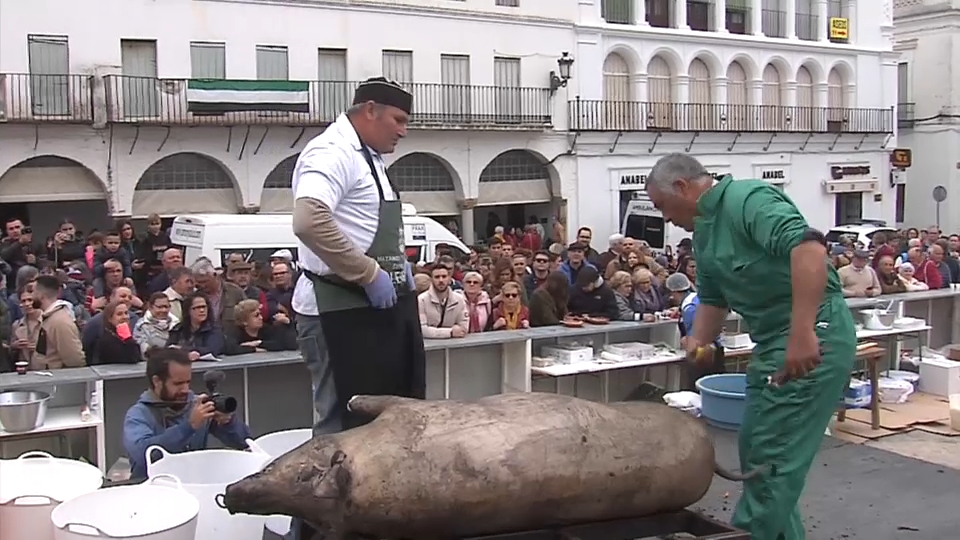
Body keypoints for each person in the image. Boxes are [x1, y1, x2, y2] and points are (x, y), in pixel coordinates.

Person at [644, 153, 855, 540]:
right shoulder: (704, 233)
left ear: (682, 187)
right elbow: (712, 297)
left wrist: (803, 333)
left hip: (812, 334)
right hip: (772, 344)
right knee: (758, 455)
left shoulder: (747, 199)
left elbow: (808, 248)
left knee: (773, 462)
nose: (664, 218)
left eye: (661, 206)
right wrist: (698, 342)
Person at [290, 77, 425, 540]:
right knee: (336, 424)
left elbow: (365, 223)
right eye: (398, 120)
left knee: (376, 422)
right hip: (335, 311)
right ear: (369, 110)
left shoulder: (371, 159)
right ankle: (313, 529)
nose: (403, 131)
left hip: (372, 312)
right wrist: (367, 273)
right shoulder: (332, 153)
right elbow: (310, 220)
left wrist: (397, 268)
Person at [121, 347, 251, 480]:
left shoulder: (196, 404)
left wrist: (227, 423)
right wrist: (189, 427)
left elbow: (244, 442)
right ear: (157, 381)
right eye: (178, 383)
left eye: (187, 382)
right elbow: (143, 455)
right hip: (154, 489)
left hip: (192, 483)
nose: (185, 389)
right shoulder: (138, 414)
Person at [664, 272, 725, 389]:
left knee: (699, 387)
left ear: (674, 291)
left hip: (704, 352)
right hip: (717, 346)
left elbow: (696, 338)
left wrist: (688, 346)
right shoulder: (696, 297)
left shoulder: (689, 308)